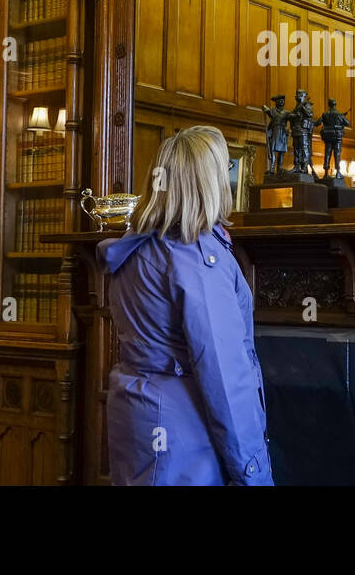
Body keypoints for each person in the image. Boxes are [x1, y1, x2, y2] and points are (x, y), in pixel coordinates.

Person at [97, 125, 274, 485]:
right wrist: (255, 474)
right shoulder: (197, 258)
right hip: (183, 431)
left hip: (139, 418)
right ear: (210, 182)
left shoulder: (134, 248)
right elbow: (225, 375)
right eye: (226, 170)